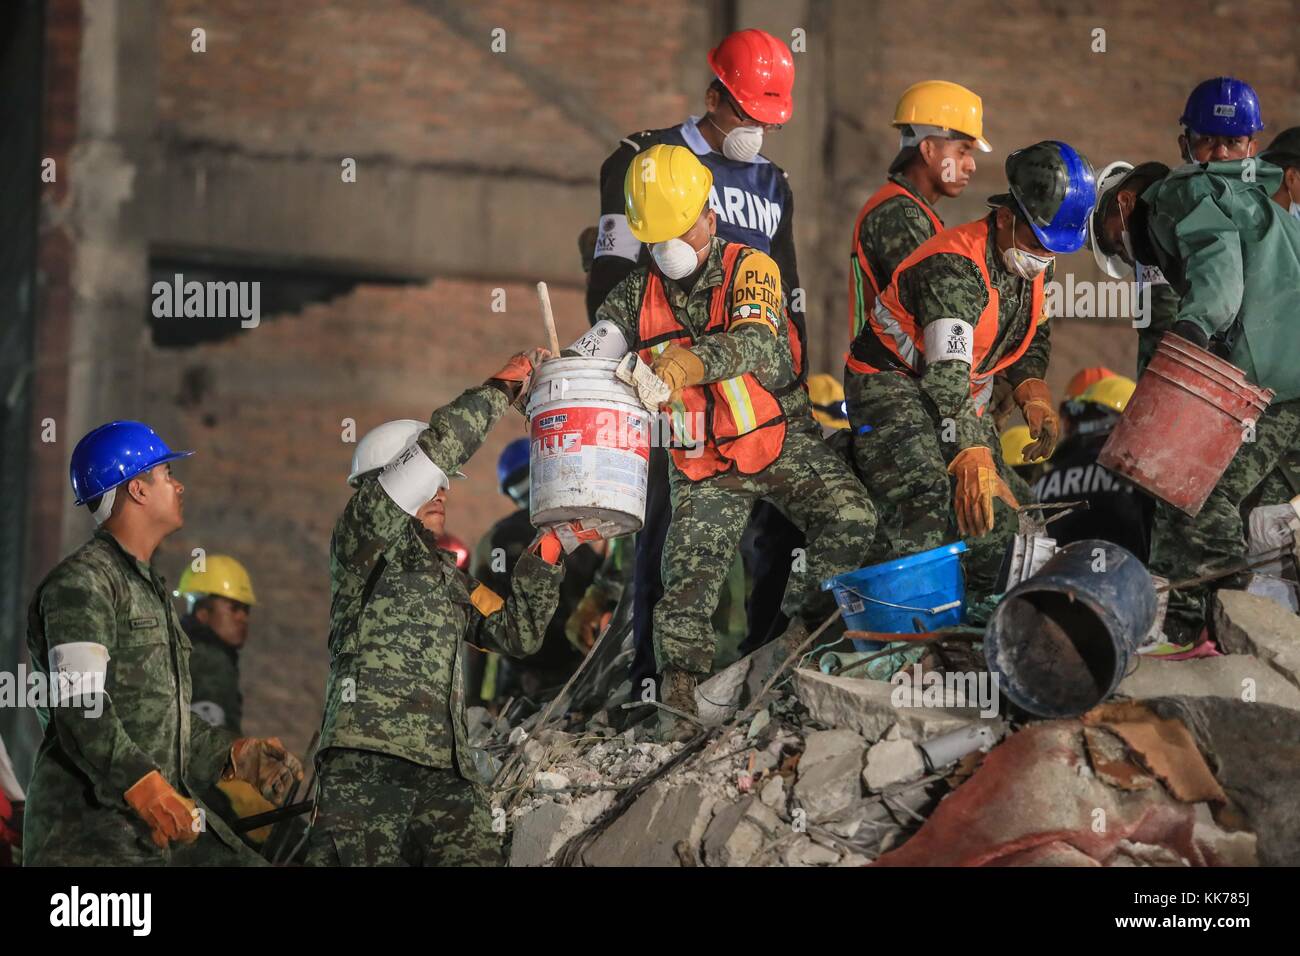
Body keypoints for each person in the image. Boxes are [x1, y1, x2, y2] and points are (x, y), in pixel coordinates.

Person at [584, 144, 876, 739]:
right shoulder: (636, 296)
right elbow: (592, 356)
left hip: (773, 441)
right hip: (702, 464)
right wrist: (546, 375)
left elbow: (761, 347)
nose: (670, 246)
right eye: (656, 236)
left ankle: (800, 642)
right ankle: (680, 709)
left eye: (681, 229)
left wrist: (682, 366)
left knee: (850, 516)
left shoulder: (753, 268)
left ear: (709, 218)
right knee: (683, 586)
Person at [585, 28, 808, 698]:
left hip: (751, 389)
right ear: (713, 93)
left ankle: (758, 680)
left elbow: (790, 294)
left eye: (770, 120)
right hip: (673, 382)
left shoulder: (774, 183)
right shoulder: (643, 158)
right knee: (669, 535)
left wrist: (795, 378)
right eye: (747, 114)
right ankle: (658, 684)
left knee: (774, 533)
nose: (757, 132)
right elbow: (611, 276)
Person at [307, 349, 574, 866]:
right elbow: (436, 451)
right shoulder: (362, 542)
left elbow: (517, 635)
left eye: (446, 487)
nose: (443, 493)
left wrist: (548, 554)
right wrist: (497, 391)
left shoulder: (446, 578)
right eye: (432, 483)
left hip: (446, 771)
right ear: (385, 484)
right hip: (369, 760)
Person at [24, 421, 301, 866]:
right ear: (137, 490)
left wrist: (233, 755)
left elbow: (156, 723)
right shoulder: (81, 585)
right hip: (89, 841)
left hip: (152, 837)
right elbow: (82, 707)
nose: (179, 485)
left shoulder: (149, 588)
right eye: (167, 475)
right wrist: (145, 786)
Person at [845, 141, 1097, 596]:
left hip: (958, 397)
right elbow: (945, 378)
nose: (1043, 257)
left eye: (1054, 248)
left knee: (1021, 513)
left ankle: (981, 622)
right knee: (933, 494)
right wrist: (970, 453)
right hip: (892, 388)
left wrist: (1032, 390)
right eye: (1037, 242)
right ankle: (902, 614)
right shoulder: (955, 268)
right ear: (1005, 216)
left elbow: (1034, 333)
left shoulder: (1036, 265)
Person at [1090, 141, 1300, 645]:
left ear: (1124, 205)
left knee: (1196, 493)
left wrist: (1194, 325)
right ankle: (1236, 628)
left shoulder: (1176, 194)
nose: (1127, 252)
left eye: (1116, 242)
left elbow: (1217, 260)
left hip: (1280, 375)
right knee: (1260, 511)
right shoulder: (1249, 199)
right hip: (1289, 382)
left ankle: (1219, 635)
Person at [848, 80, 989, 339]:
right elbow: (938, 300)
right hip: (891, 377)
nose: (971, 165)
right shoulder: (898, 213)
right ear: (928, 149)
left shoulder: (917, 213)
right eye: (962, 151)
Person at [472, 437, 602, 705]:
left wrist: (473, 698)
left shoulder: (493, 540)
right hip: (581, 676)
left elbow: (475, 619)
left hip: (519, 682)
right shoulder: (582, 531)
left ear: (509, 490)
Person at [1030, 376, 1154, 561]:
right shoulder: (1147, 478)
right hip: (1130, 583)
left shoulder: (1045, 480)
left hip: (1056, 582)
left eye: (1085, 414)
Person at [177, 554, 257, 734]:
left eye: (246, 610)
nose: (243, 618)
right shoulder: (209, 662)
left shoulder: (180, 651)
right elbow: (211, 743)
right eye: (234, 608)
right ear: (203, 613)